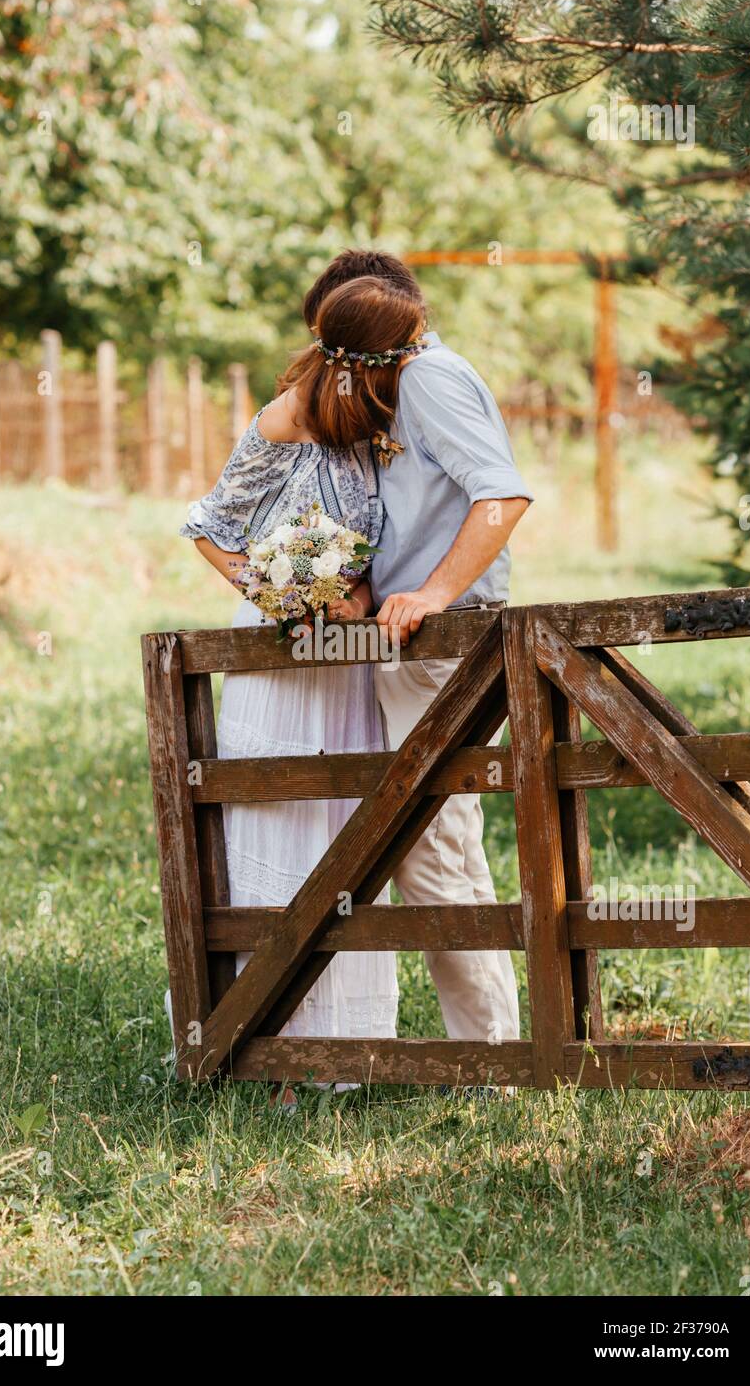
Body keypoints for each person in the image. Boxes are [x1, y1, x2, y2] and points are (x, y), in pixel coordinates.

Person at [176, 273, 434, 1068]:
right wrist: (274, 591)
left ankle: (342, 1045)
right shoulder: (285, 419)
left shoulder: (384, 420)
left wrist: (357, 589)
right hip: (281, 659)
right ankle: (260, 1035)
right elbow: (208, 525)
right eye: (407, 350)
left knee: (346, 831)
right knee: (281, 821)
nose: (417, 361)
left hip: (350, 668)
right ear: (362, 359)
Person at [304, 251, 534, 1050]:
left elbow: (500, 496)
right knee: (437, 842)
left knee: (430, 845)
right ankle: (492, 1044)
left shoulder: (430, 379)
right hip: (408, 637)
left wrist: (433, 593)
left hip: (446, 637)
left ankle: (490, 1055)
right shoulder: (406, 382)